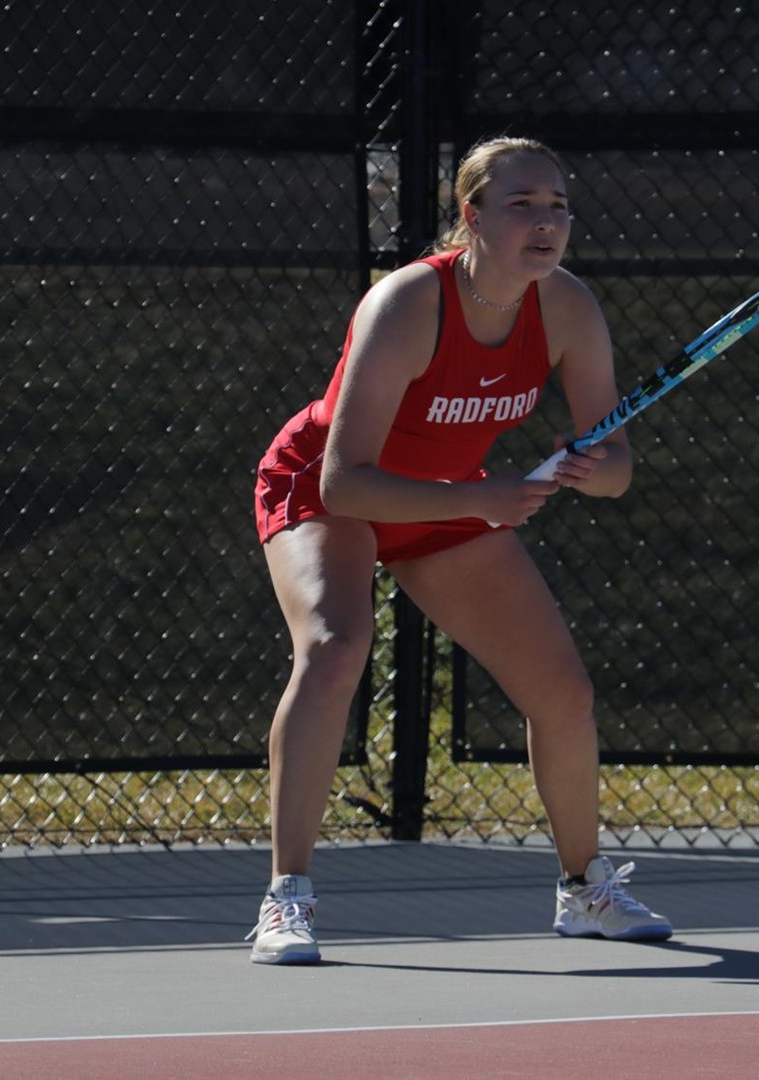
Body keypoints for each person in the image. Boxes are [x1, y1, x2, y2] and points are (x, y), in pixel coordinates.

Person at [246, 136, 673, 965]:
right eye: (522, 205)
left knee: (562, 691)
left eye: (558, 207)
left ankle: (585, 890)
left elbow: (617, 467)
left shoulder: (568, 308)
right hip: (332, 485)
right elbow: (345, 482)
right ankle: (285, 899)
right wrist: (479, 498)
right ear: (472, 217)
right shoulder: (408, 304)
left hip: (447, 495)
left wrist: (592, 471)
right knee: (335, 648)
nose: (546, 223)